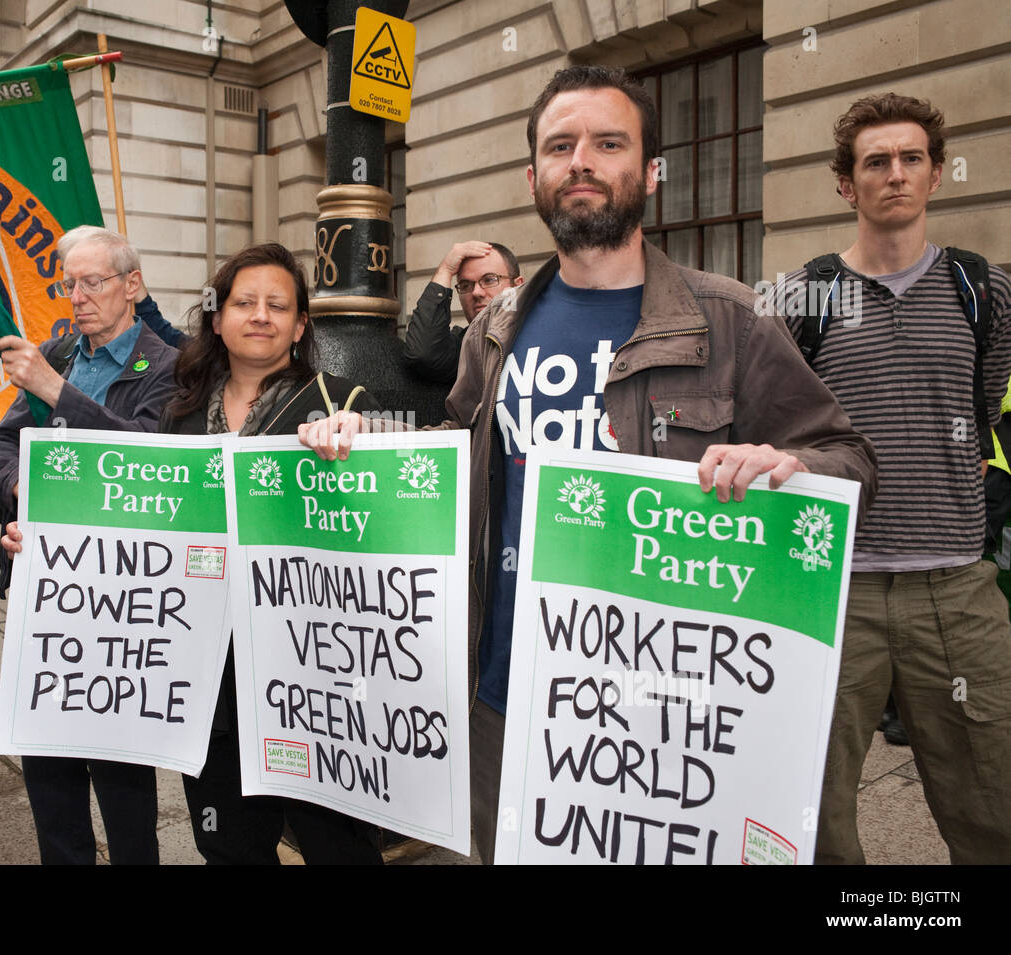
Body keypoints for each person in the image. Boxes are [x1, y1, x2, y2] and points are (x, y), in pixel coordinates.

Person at [300, 65, 878, 864]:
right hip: (506, 698)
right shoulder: (494, 329)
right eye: (561, 145)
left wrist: (785, 463)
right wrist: (360, 452)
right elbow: (457, 465)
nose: (582, 161)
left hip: (669, 712)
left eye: (609, 144)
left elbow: (849, 459)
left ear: (649, 173)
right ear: (532, 176)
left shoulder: (733, 319)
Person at [3, 242, 386, 864]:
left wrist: (363, 441)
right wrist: (50, 538)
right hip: (203, 677)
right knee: (227, 844)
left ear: (300, 324)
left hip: (309, 682)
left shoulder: (343, 401)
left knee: (336, 846)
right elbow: (129, 500)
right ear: (216, 317)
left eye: (278, 305)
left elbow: (394, 517)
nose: (260, 316)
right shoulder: (180, 407)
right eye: (244, 302)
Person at [772, 93, 1011, 864]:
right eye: (876, 161)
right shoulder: (800, 297)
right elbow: (777, 424)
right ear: (848, 184)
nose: (895, 174)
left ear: (937, 174)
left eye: (912, 159)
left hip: (957, 588)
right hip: (831, 588)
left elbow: (988, 410)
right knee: (810, 809)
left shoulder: (986, 291)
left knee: (993, 800)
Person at [0, 224, 177, 865]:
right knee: (49, 779)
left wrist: (51, 391)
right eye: (70, 284)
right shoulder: (60, 352)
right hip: (45, 590)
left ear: (132, 284)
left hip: (125, 605)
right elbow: (1, 445)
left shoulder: (169, 366)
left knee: (123, 787)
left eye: (93, 281)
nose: (78, 296)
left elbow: (148, 458)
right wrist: (21, 499)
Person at [402, 242, 525, 385]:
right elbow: (423, 353)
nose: (476, 292)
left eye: (489, 279)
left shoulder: (542, 336)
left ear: (517, 286)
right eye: (466, 285)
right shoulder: (464, 351)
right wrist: (445, 270)